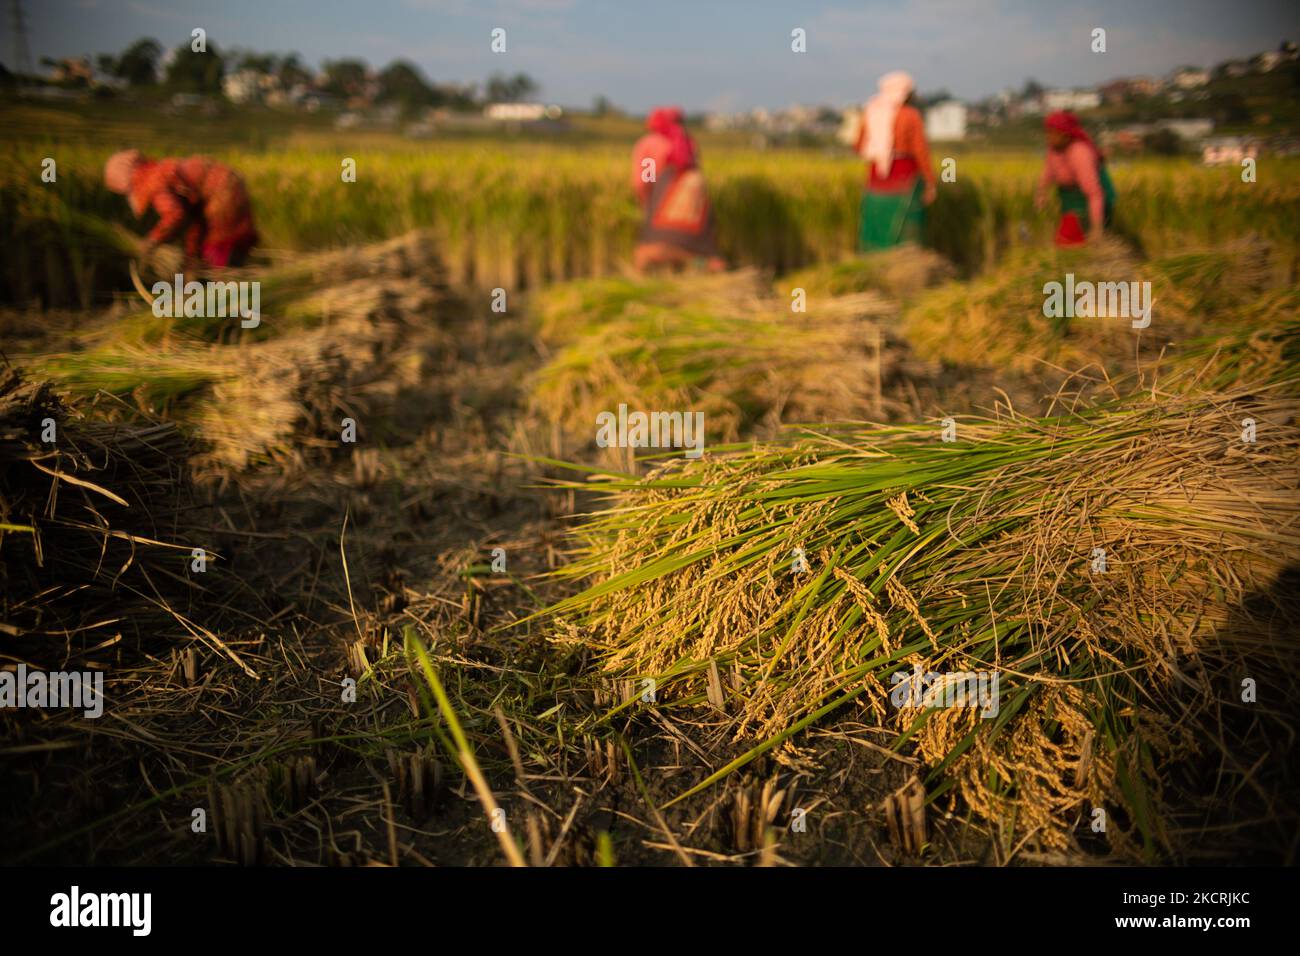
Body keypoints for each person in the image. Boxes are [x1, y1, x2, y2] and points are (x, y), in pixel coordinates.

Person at [104, 150, 258, 268]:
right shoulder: (156, 171)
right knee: (216, 253)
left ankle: (228, 301)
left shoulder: (151, 181)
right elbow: (192, 215)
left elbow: (175, 214)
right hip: (227, 191)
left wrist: (152, 241)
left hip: (223, 196)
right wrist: (191, 258)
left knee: (218, 253)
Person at [630, 107, 725, 273]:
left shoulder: (650, 144)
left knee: (645, 253)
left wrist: (648, 205)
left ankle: (643, 285)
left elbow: (645, 181)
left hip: (666, 200)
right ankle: (706, 266)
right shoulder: (688, 142)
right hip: (695, 201)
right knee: (689, 247)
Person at [854, 71, 937, 251]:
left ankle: (874, 257)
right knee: (904, 219)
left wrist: (880, 151)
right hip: (905, 174)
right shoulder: (910, 115)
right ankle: (901, 258)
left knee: (877, 218)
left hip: (876, 175)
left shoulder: (872, 111)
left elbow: (859, 146)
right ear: (907, 93)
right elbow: (920, 150)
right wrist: (931, 182)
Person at [1034, 111, 1116, 246]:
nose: (1048, 137)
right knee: (1069, 238)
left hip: (1094, 198)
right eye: (1047, 132)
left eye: (1052, 133)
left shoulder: (1080, 153)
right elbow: (1048, 171)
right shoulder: (1054, 149)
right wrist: (1041, 191)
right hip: (1070, 196)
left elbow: (1095, 194)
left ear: (1065, 135)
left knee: (1073, 240)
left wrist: (1097, 229)